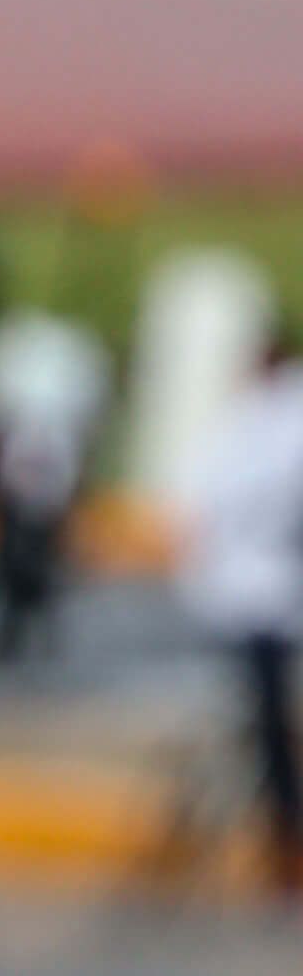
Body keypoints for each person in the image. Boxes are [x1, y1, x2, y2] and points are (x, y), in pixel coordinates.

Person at [176, 322, 303, 903]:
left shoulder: (250, 427)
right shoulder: (252, 425)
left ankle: (285, 831)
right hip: (264, 595)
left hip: (257, 593)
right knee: (268, 722)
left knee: (270, 721)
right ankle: (285, 832)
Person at [0, 306, 111, 672]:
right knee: (21, 557)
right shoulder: (44, 390)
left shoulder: (31, 385)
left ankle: (28, 627)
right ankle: (18, 627)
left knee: (37, 555)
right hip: (32, 481)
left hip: (38, 480)